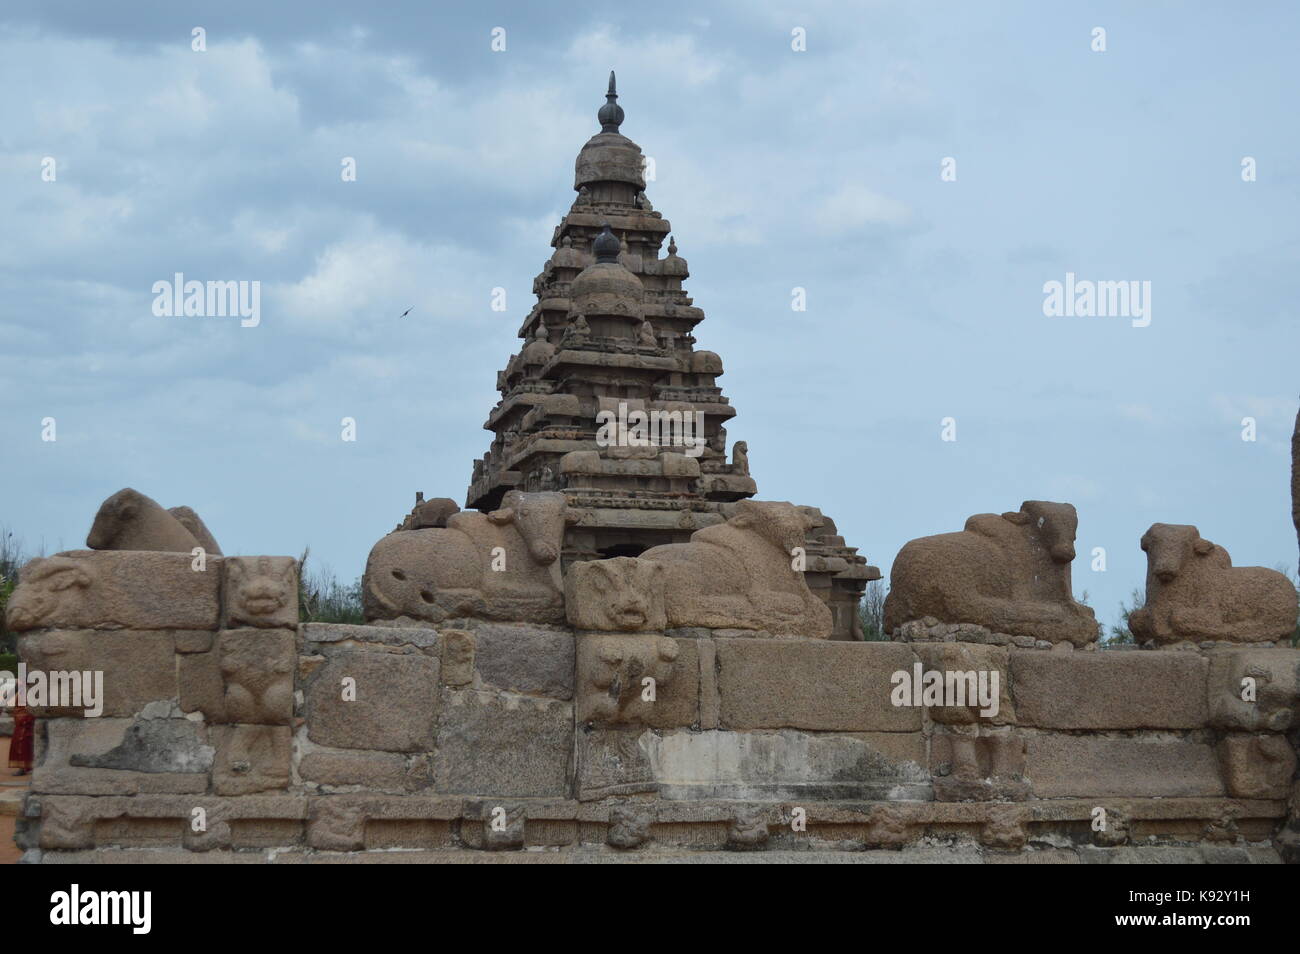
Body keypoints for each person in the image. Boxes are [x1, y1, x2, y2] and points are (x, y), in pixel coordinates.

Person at [9, 703, 33, 776]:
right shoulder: (19, 695)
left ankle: (28, 767)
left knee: (25, 747)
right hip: (20, 726)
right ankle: (22, 768)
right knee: (19, 746)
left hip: (28, 724)